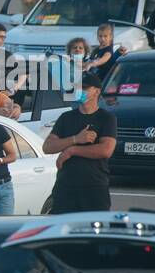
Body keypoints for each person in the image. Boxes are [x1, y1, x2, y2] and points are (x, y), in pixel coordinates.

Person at [43, 70, 115, 212]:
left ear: (96, 92)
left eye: (85, 88)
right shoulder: (66, 117)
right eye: (78, 88)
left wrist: (72, 150)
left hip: (94, 187)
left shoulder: (106, 118)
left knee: (93, 231)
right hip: (66, 187)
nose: (80, 91)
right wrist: (75, 139)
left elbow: (106, 150)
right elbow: (48, 147)